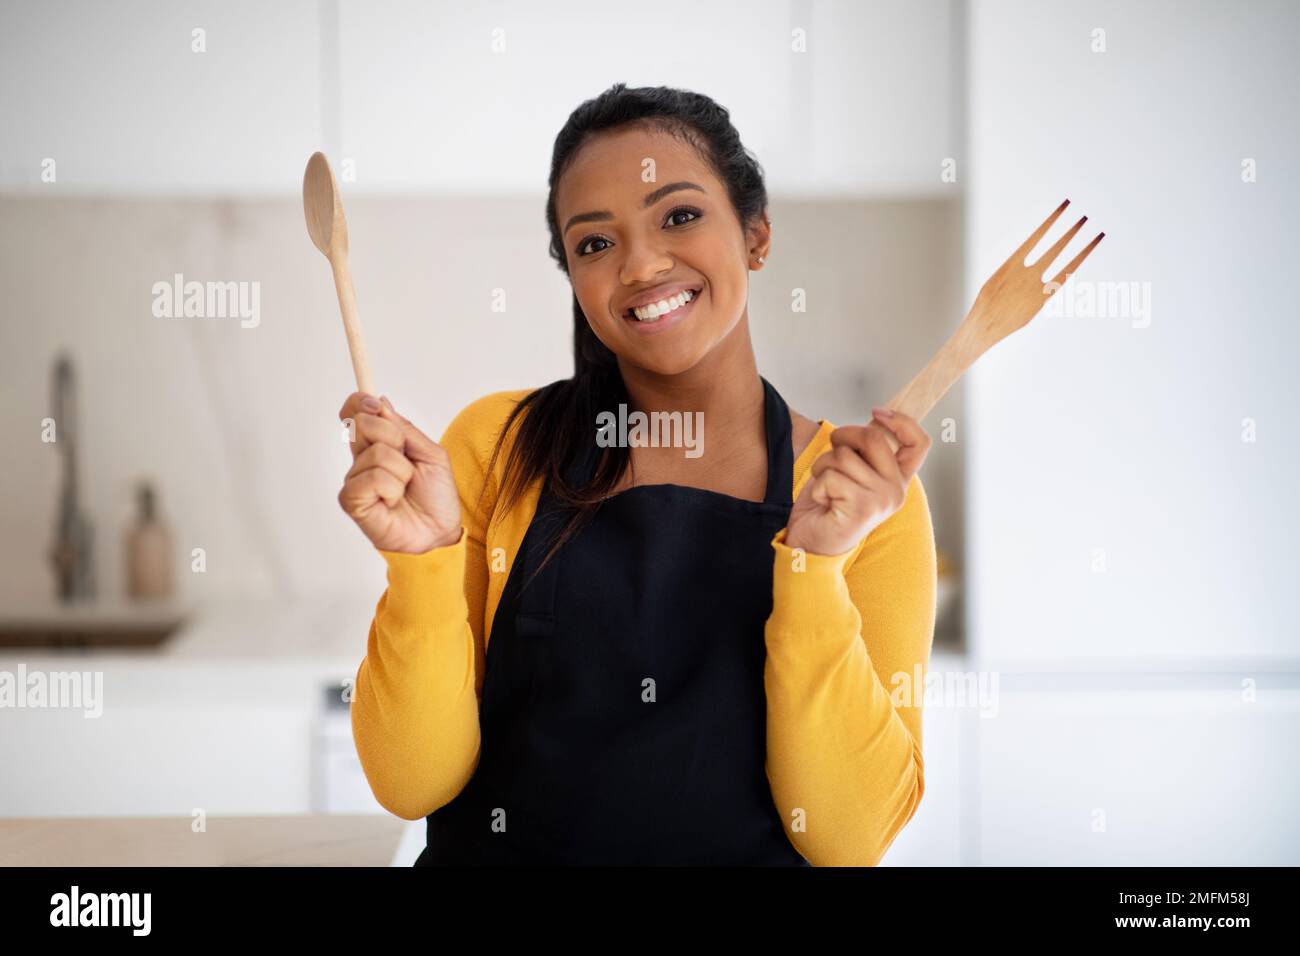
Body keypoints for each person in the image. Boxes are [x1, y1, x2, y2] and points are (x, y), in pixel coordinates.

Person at [336, 83, 936, 866]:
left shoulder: (860, 496)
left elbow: (845, 837)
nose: (642, 265)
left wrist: (814, 565)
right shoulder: (497, 446)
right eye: (595, 244)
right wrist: (421, 562)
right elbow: (411, 782)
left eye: (679, 216)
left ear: (756, 236)